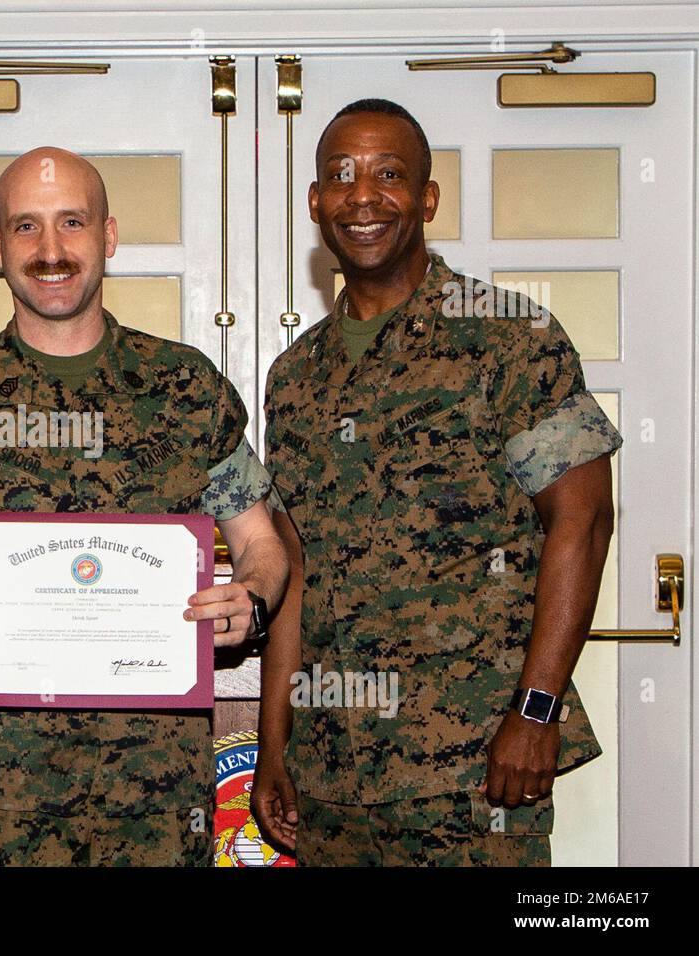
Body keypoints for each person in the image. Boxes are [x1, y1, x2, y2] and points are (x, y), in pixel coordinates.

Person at [0, 146, 289, 866]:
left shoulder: (184, 389)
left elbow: (263, 546)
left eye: (72, 223)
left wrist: (253, 603)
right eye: (26, 227)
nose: (50, 250)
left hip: (153, 800)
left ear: (108, 237)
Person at [251, 99, 621, 866]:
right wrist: (274, 746)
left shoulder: (511, 337)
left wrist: (538, 708)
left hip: (473, 766)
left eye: (389, 174)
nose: (363, 196)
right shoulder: (294, 378)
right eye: (340, 175)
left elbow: (582, 524)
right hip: (333, 773)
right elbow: (296, 567)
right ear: (315, 201)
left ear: (426, 198)